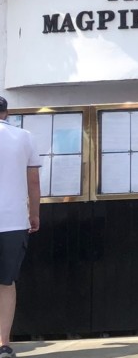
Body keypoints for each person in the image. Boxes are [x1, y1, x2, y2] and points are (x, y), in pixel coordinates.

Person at [0, 96, 40, 358]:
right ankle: (3, 343)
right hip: (13, 220)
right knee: (6, 283)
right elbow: (33, 182)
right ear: (6, 112)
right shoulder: (23, 136)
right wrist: (34, 214)